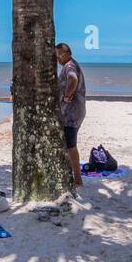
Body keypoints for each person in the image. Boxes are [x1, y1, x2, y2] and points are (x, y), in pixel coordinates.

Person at [56, 43, 87, 188]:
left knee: (70, 145)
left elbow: (73, 79)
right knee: (68, 144)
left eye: (58, 55)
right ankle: (73, 176)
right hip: (75, 111)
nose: (57, 59)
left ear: (65, 53)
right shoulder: (71, 64)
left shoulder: (69, 66)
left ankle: (77, 179)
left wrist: (67, 96)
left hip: (71, 112)